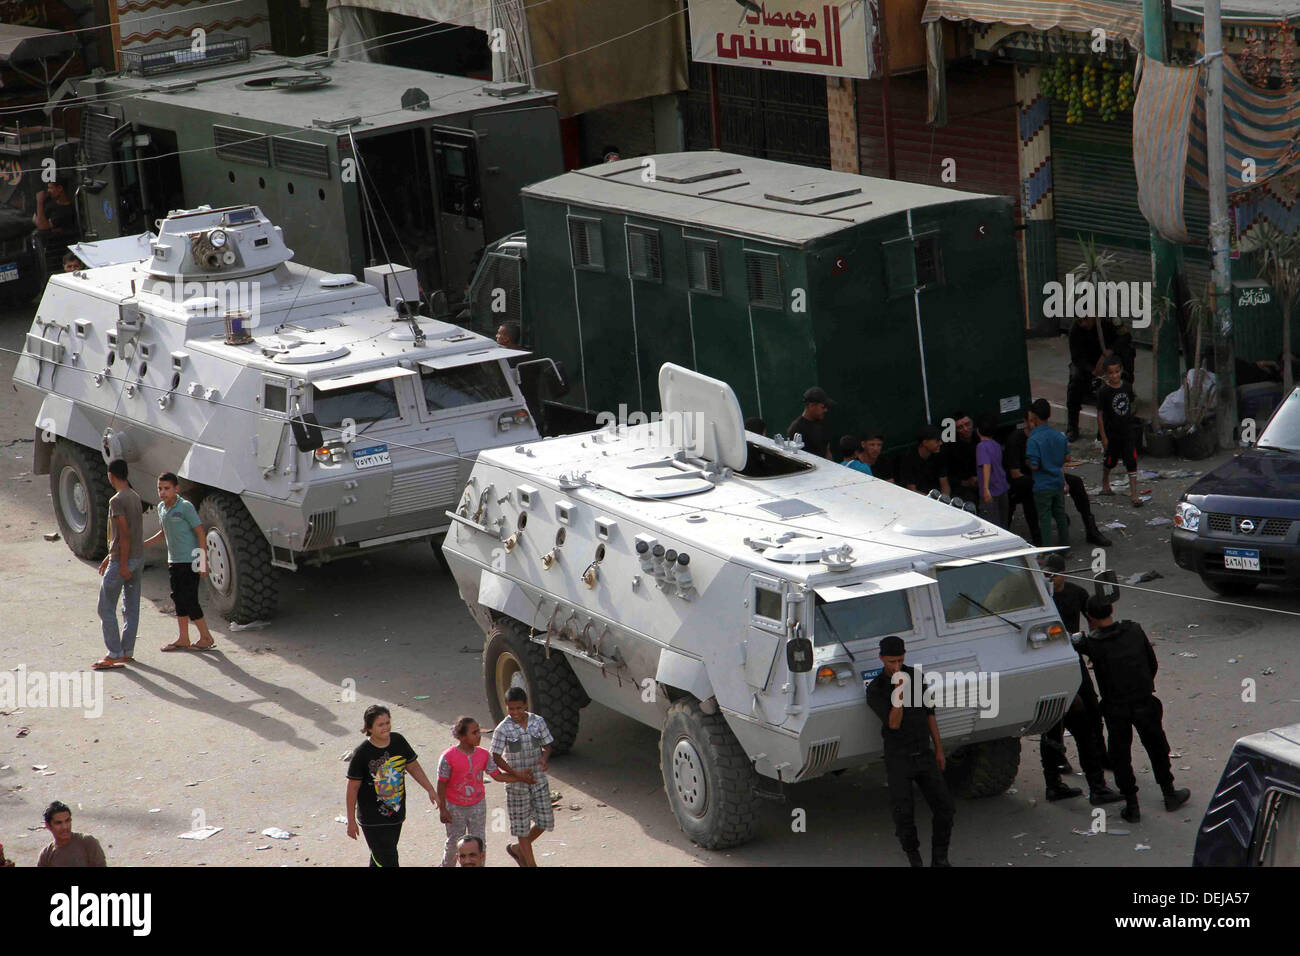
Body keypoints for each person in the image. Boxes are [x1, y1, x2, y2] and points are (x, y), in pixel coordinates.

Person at [1077, 597, 1190, 823]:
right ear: (1112, 609)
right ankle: (1169, 793)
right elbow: (1152, 662)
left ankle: (1132, 805)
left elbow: (1070, 644)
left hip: (1115, 706)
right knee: (1157, 746)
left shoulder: (1092, 644)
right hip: (1143, 700)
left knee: (1120, 755)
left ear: (1089, 617)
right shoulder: (1134, 630)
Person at [1038, 555, 1123, 806]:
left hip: (1073, 659)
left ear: (1064, 573)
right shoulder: (1041, 598)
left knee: (1092, 711)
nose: (1050, 578)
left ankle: (1099, 757)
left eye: (1054, 574)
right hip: (1049, 665)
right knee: (1054, 723)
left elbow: (1093, 620)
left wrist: (1094, 648)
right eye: (1046, 574)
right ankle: (1062, 779)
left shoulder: (1076, 593)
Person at [865, 636, 955, 867]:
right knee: (904, 814)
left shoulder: (916, 675)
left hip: (923, 753)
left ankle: (940, 858)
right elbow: (893, 723)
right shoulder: (876, 689)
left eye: (900, 660)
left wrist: (939, 749)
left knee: (945, 807)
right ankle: (914, 859)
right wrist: (899, 692)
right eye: (891, 662)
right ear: (882, 659)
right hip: (899, 759)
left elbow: (929, 713)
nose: (897, 666)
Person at [345, 704, 437, 866]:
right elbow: (352, 788)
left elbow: (413, 766)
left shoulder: (398, 741)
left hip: (396, 814)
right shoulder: (362, 753)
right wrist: (350, 820)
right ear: (369, 728)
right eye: (380, 724)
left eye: (388, 722)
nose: (386, 727)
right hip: (371, 818)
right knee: (389, 859)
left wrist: (430, 789)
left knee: (381, 856)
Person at [1006, 415, 1112, 547]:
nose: (1035, 424)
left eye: (1037, 421)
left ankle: (1091, 530)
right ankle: (1038, 539)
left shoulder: (1045, 436)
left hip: (1047, 475)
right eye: (1032, 421)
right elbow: (1015, 473)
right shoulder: (1017, 439)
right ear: (1026, 422)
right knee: (1031, 493)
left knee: (1076, 482)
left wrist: (1062, 480)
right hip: (1025, 479)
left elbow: (1060, 461)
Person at [143, 473, 216, 652]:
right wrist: (143, 544)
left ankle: (206, 637)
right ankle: (183, 638)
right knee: (179, 599)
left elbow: (200, 533)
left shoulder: (185, 507)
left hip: (190, 560)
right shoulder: (161, 508)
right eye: (160, 488)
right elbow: (164, 534)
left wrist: (202, 561)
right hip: (174, 561)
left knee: (190, 600)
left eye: (167, 488)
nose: (162, 492)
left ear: (177, 489)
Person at [437, 716, 519, 867]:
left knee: (479, 843)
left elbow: (497, 775)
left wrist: (519, 777)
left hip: (477, 806)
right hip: (454, 807)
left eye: (478, 731)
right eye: (474, 733)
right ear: (461, 737)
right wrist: (443, 809)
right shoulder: (448, 757)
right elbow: (441, 784)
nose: (479, 735)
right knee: (454, 844)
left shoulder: (483, 755)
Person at [490, 686, 553, 867]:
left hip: (537, 780)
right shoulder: (503, 729)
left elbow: (547, 745)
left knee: (544, 821)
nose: (515, 712)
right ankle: (530, 863)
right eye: (511, 708)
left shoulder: (538, 722)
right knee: (521, 826)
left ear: (526, 705)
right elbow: (495, 755)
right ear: (506, 707)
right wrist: (515, 774)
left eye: (519, 708)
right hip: (517, 784)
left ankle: (518, 849)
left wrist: (543, 759)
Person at [95, 459, 144, 671]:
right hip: (138, 558)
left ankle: (113, 653)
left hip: (123, 560)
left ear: (111, 475)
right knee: (130, 607)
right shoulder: (135, 496)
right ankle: (127, 652)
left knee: (106, 607)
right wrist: (110, 556)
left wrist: (121, 563)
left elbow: (124, 533)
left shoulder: (116, 500)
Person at [1098, 356, 1142, 508]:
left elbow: (1131, 403)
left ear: (1121, 371)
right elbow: (1100, 415)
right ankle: (1105, 481)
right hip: (1112, 433)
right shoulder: (1104, 392)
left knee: (1131, 460)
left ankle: (1134, 493)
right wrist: (1103, 436)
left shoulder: (1127, 387)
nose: (1115, 375)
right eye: (1111, 373)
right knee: (1111, 460)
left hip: (1128, 431)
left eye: (1117, 372)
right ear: (1106, 374)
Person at [1025, 399, 1070, 547]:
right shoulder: (1059, 436)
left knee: (1045, 520)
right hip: (1057, 482)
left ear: (1034, 417)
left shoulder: (1033, 439)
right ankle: (1065, 548)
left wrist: (1027, 462)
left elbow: (1034, 465)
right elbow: (1067, 458)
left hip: (1042, 486)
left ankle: (1047, 551)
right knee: (1060, 517)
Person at [37, 802, 106, 867]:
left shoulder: (88, 843)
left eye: (67, 821)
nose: (65, 827)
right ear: (48, 825)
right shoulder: (46, 855)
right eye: (58, 823)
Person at [974, 413, 1010, 528]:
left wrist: (985, 488)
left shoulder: (981, 447)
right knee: (1003, 523)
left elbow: (986, 465)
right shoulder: (996, 445)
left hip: (991, 492)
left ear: (978, 431)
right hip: (1003, 488)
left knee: (991, 525)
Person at [896, 425, 950, 497]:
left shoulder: (939, 455)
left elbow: (944, 484)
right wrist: (933, 502)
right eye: (937, 441)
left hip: (936, 496)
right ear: (925, 442)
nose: (940, 443)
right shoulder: (909, 459)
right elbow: (912, 490)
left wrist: (945, 500)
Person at [786, 387, 833, 459]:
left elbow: (827, 451)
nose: (826, 410)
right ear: (811, 406)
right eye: (823, 407)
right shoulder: (796, 429)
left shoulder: (823, 423)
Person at [943, 411, 978, 497]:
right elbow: (947, 475)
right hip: (962, 485)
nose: (965, 429)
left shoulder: (980, 438)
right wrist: (965, 482)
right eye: (960, 427)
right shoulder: (951, 448)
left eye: (967, 424)